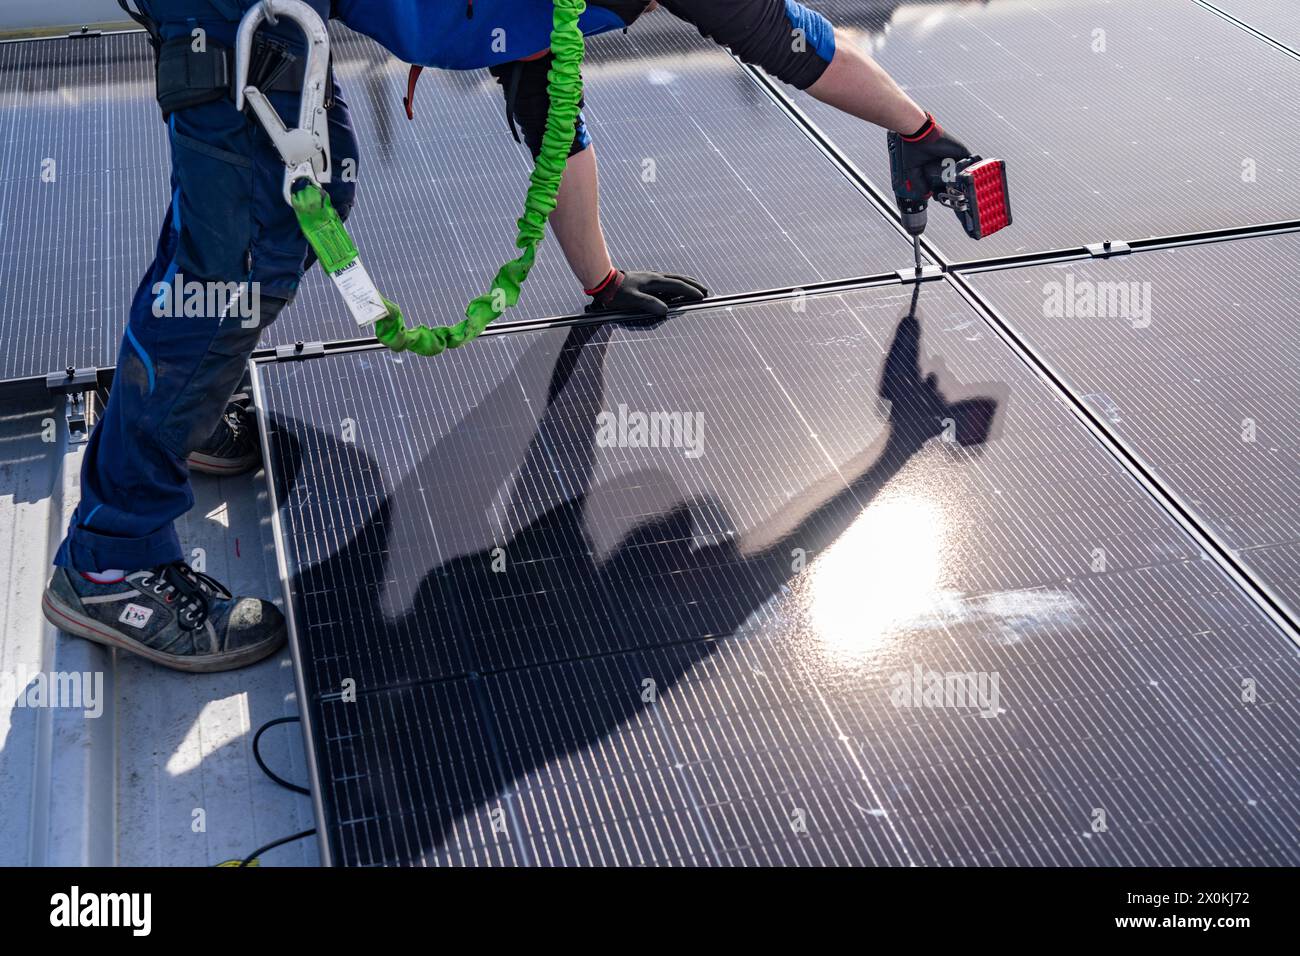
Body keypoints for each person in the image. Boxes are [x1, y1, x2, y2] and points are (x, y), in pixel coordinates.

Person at [43, 0, 979, 673]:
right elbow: (800, 44)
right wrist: (921, 128)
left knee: (272, 214)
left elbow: (552, 98)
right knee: (243, 249)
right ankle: (110, 558)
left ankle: (183, 413)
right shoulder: (609, 688)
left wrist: (600, 279)